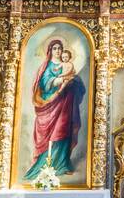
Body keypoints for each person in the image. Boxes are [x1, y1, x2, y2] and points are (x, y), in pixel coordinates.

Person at [24, 38, 85, 180]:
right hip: (50, 104)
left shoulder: (68, 65)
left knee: (63, 130)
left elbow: (77, 82)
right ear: (50, 50)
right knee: (52, 134)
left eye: (59, 48)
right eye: (55, 48)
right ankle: (45, 166)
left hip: (65, 103)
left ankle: (63, 164)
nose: (57, 51)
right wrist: (59, 80)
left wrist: (73, 81)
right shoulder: (47, 66)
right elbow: (44, 84)